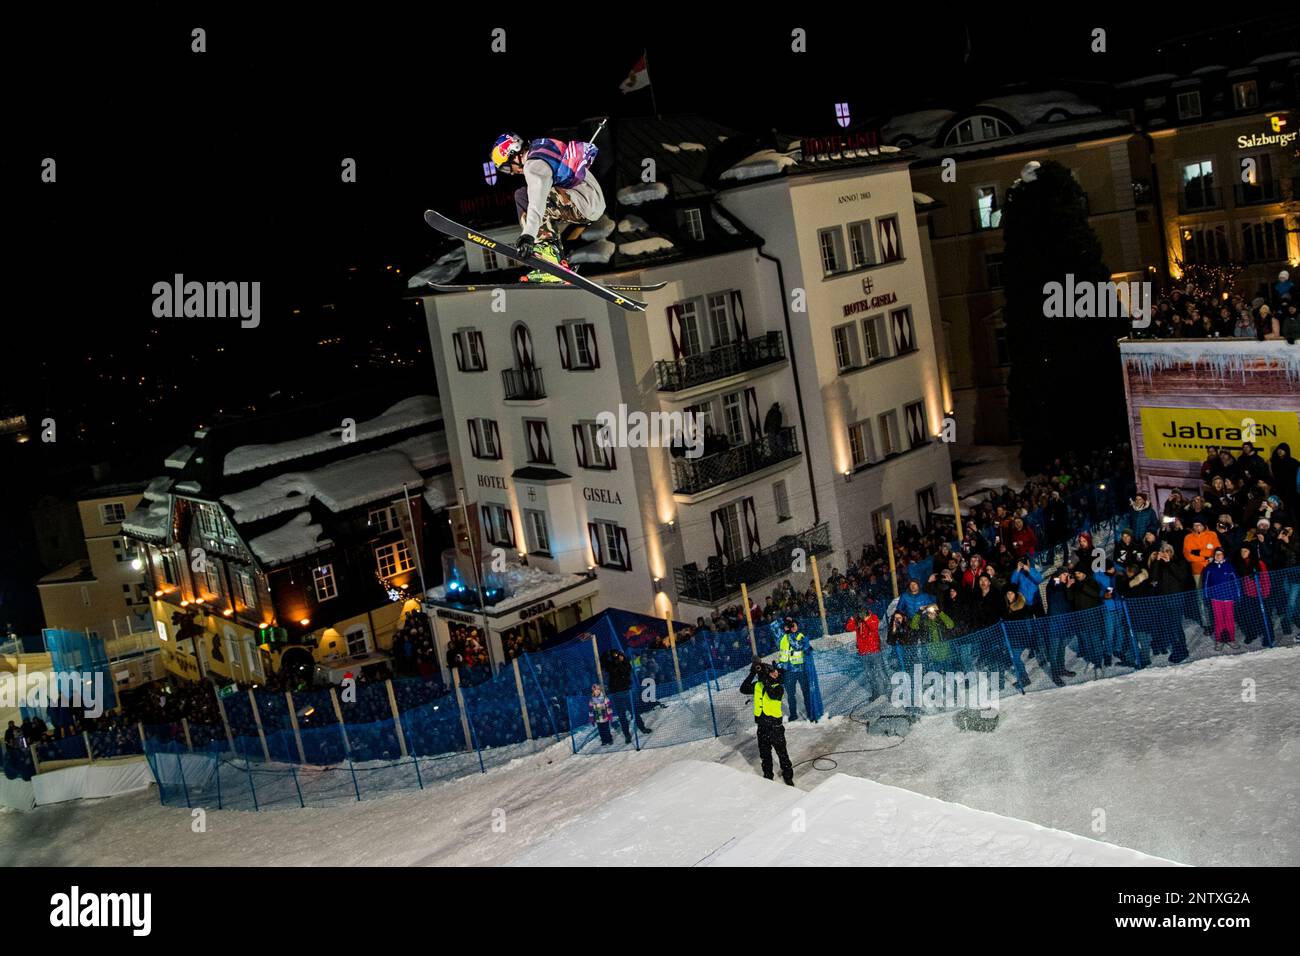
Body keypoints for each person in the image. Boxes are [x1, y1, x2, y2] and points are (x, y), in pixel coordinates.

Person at [490, 130, 605, 282]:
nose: (511, 173)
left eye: (506, 167)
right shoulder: (543, 146)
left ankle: (550, 258)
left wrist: (528, 235)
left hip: (583, 203)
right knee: (533, 198)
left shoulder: (533, 165)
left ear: (514, 153)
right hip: (591, 199)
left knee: (523, 196)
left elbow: (537, 201)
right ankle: (557, 259)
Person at [739, 657, 794, 786]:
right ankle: (768, 776)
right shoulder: (758, 685)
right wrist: (752, 672)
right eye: (772, 672)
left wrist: (765, 681)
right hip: (762, 726)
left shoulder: (778, 687)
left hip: (775, 727)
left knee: (782, 753)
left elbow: (772, 695)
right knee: (765, 754)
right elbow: (743, 689)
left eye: (776, 672)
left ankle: (788, 776)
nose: (775, 674)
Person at [777, 617, 815, 721]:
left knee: (806, 693)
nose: (793, 627)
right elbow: (775, 627)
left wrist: (789, 631)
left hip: (801, 670)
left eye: (795, 625)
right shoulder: (782, 637)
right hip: (788, 671)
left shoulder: (800, 636)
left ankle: (810, 713)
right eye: (791, 625)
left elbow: (797, 646)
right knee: (790, 695)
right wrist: (784, 623)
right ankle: (793, 714)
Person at [1202, 547, 1240, 648]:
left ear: (1223, 555)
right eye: (1216, 554)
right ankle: (1219, 640)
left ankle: (1231, 639)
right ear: (1214, 556)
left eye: (1220, 554)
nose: (1218, 556)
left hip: (1228, 597)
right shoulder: (1210, 567)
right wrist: (1206, 596)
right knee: (1218, 619)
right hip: (1216, 598)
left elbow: (1236, 581)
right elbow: (1205, 583)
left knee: (1229, 618)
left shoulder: (1229, 567)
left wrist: (1238, 595)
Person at [849, 607, 887, 702]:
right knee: (870, 675)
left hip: (874, 650)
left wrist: (866, 618)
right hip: (863, 652)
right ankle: (875, 693)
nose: (860, 614)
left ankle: (888, 691)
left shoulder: (873, 617)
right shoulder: (857, 620)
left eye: (861, 612)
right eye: (858, 612)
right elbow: (849, 628)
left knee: (880, 672)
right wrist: (852, 618)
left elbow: (874, 627)